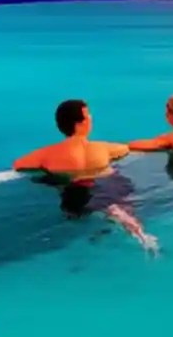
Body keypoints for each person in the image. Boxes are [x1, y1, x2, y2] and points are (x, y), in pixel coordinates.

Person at [13, 99, 157, 252]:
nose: (91, 118)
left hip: (74, 192)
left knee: (82, 208)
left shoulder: (47, 154)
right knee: (115, 207)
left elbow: (19, 165)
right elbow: (125, 148)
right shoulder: (102, 148)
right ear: (80, 124)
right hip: (108, 184)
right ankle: (140, 235)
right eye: (88, 115)